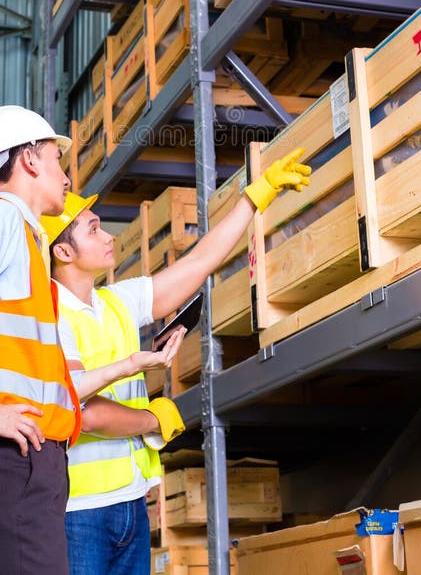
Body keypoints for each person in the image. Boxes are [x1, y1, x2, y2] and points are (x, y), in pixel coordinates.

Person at [0, 105, 184, 575]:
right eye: (57, 160)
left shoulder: (26, 245)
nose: (66, 177)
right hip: (6, 456)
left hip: (24, 460)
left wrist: (130, 364)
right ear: (30, 160)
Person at [41, 146, 311, 575]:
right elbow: (82, 411)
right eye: (93, 230)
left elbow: (200, 262)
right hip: (80, 510)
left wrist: (255, 195)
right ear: (64, 253)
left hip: (132, 500)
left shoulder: (117, 302)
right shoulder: (49, 316)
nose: (108, 236)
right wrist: (153, 420)